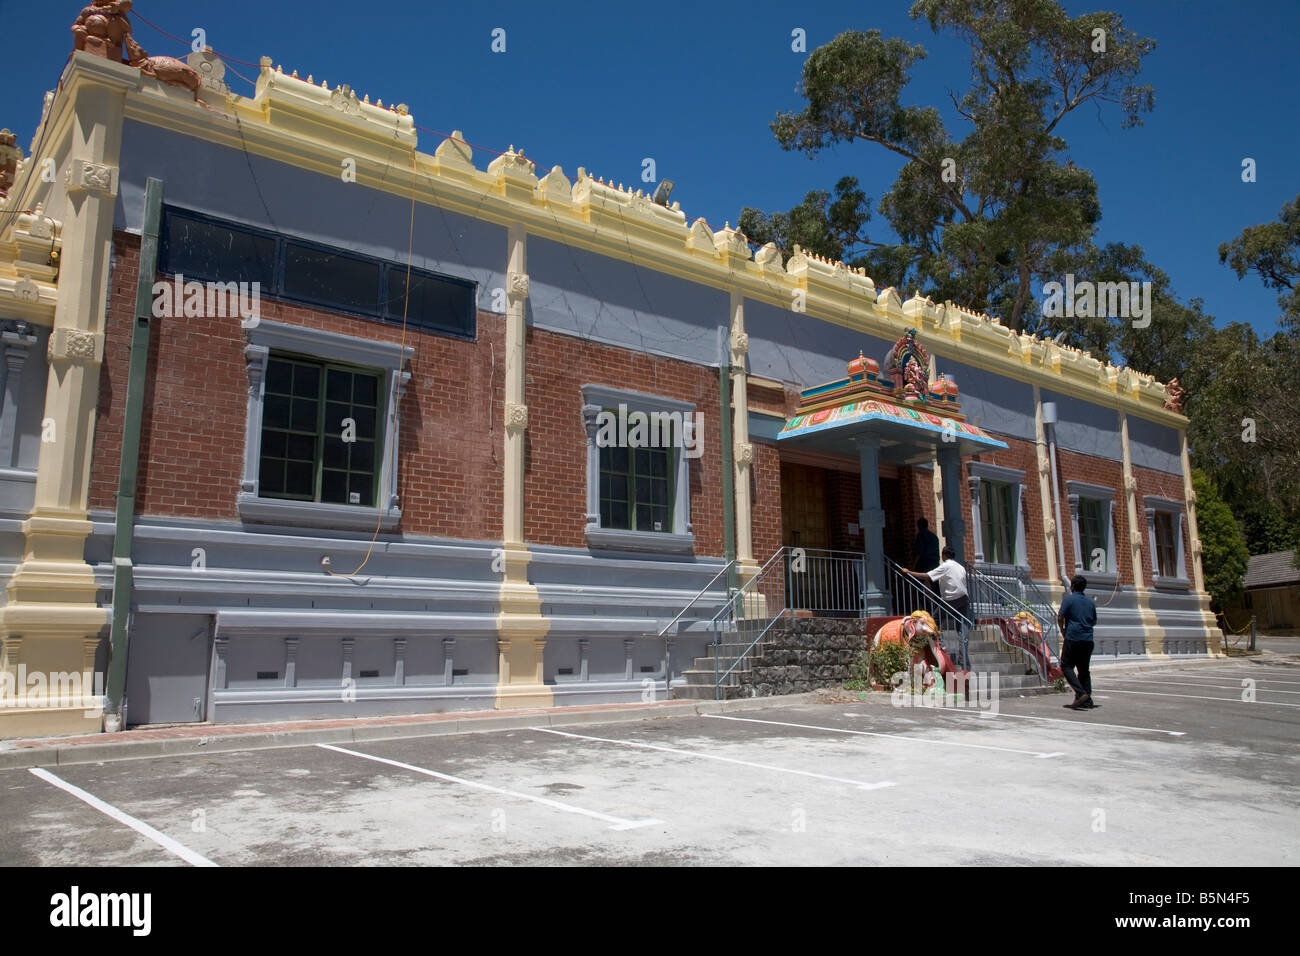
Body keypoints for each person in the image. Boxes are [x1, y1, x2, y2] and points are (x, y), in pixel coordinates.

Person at [903, 546, 969, 665]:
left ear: (944, 555)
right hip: (964, 598)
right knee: (962, 627)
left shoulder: (946, 566)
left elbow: (927, 576)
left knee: (934, 621)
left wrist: (909, 572)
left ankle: (941, 646)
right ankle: (963, 658)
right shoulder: (961, 567)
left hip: (951, 599)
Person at [1058, 574, 1098, 710]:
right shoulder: (1090, 602)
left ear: (1073, 586)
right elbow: (1094, 621)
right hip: (1087, 639)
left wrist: (1062, 629)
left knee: (1066, 666)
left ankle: (1081, 693)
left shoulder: (1069, 600)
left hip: (1073, 637)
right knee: (1084, 670)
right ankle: (1087, 700)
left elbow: (1060, 617)